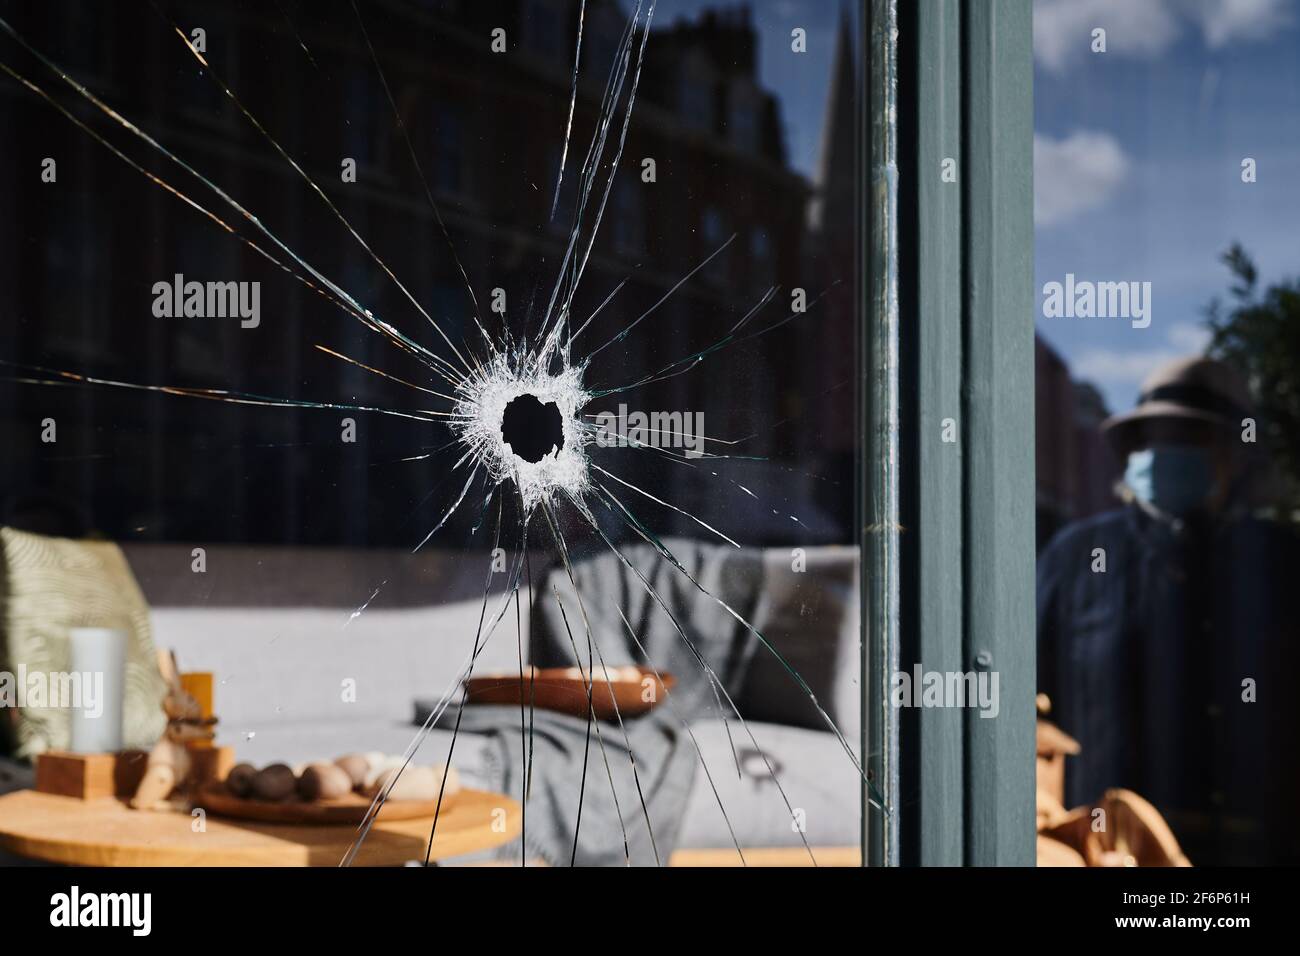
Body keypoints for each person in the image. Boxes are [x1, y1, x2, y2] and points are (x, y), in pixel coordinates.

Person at [1037, 356, 1300, 866]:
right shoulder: (1076, 556)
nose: (1164, 452)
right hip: (1112, 857)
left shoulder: (1285, 563)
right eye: (1151, 438)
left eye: (1192, 437)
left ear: (1240, 458)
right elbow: (1028, 709)